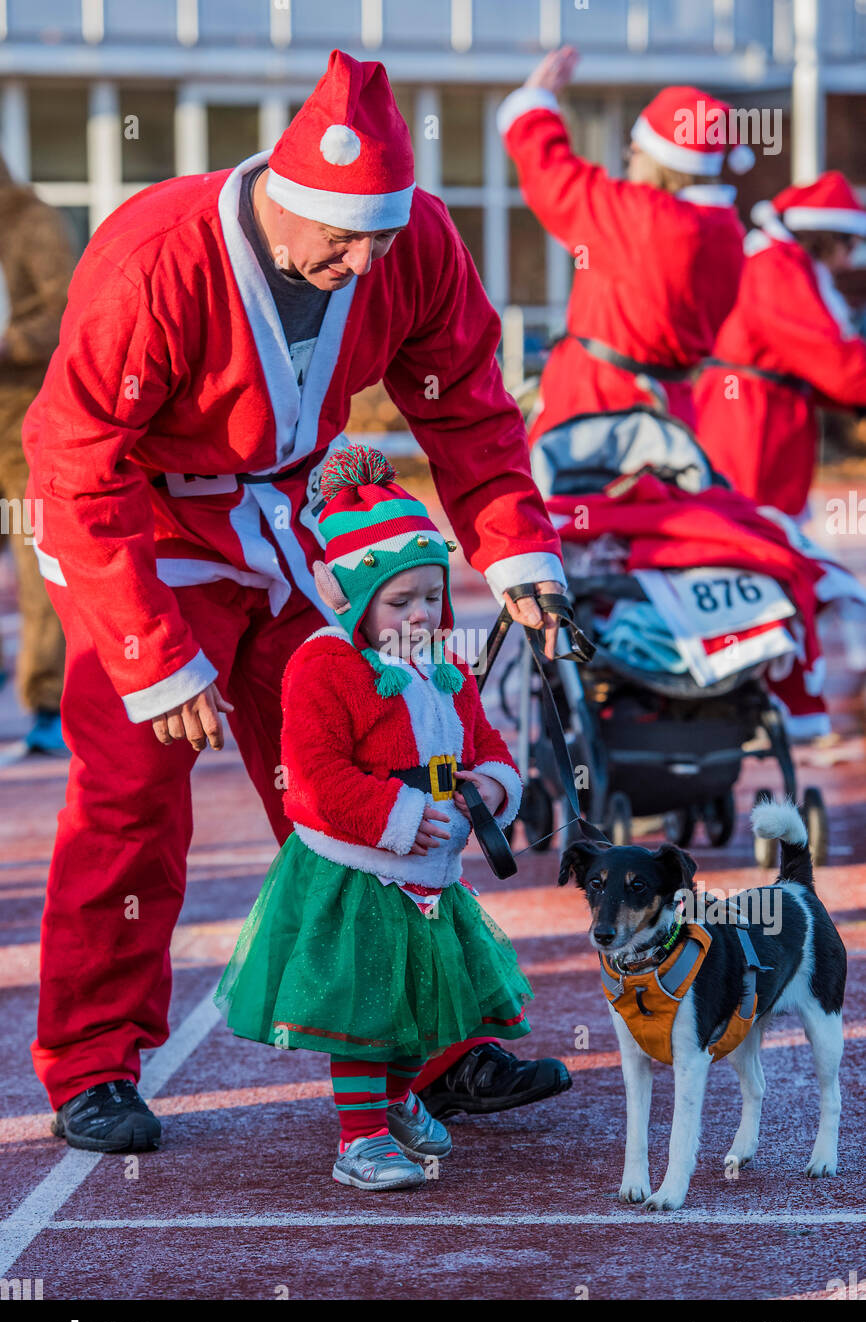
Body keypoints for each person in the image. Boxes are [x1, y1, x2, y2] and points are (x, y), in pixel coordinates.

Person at [24, 50, 571, 1153]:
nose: (364, 261)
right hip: (144, 533)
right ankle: (92, 1064)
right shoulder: (154, 258)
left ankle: (433, 1045)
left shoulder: (413, 243)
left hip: (289, 529)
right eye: (343, 238)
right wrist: (153, 658)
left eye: (382, 237)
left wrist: (517, 552)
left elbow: (465, 404)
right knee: (130, 798)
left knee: (380, 763)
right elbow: (75, 463)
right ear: (283, 196)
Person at [216, 445, 532, 1191]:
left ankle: (394, 1100)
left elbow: (484, 740)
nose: (421, 614)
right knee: (366, 1010)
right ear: (353, 599)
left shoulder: (443, 662)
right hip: (359, 870)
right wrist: (394, 814)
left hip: (429, 866)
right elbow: (315, 773)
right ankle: (359, 1139)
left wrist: (493, 785)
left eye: (433, 595)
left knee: (421, 998)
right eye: (400, 601)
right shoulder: (324, 663)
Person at [497, 46, 747, 444]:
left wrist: (534, 103)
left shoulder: (644, 220)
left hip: (599, 411)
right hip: (673, 410)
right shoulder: (727, 231)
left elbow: (553, 177)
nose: (629, 161)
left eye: (634, 150)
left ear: (653, 157)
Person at [695, 172, 866, 517]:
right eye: (850, 244)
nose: (851, 259)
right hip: (751, 425)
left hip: (764, 418)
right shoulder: (778, 268)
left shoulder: (788, 267)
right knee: (750, 529)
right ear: (825, 237)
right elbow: (829, 358)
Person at [0, 154, 73, 754]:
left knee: (34, 554)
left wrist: (7, 344)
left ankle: (51, 702)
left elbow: (65, 316)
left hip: (20, 425)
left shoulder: (35, 222)